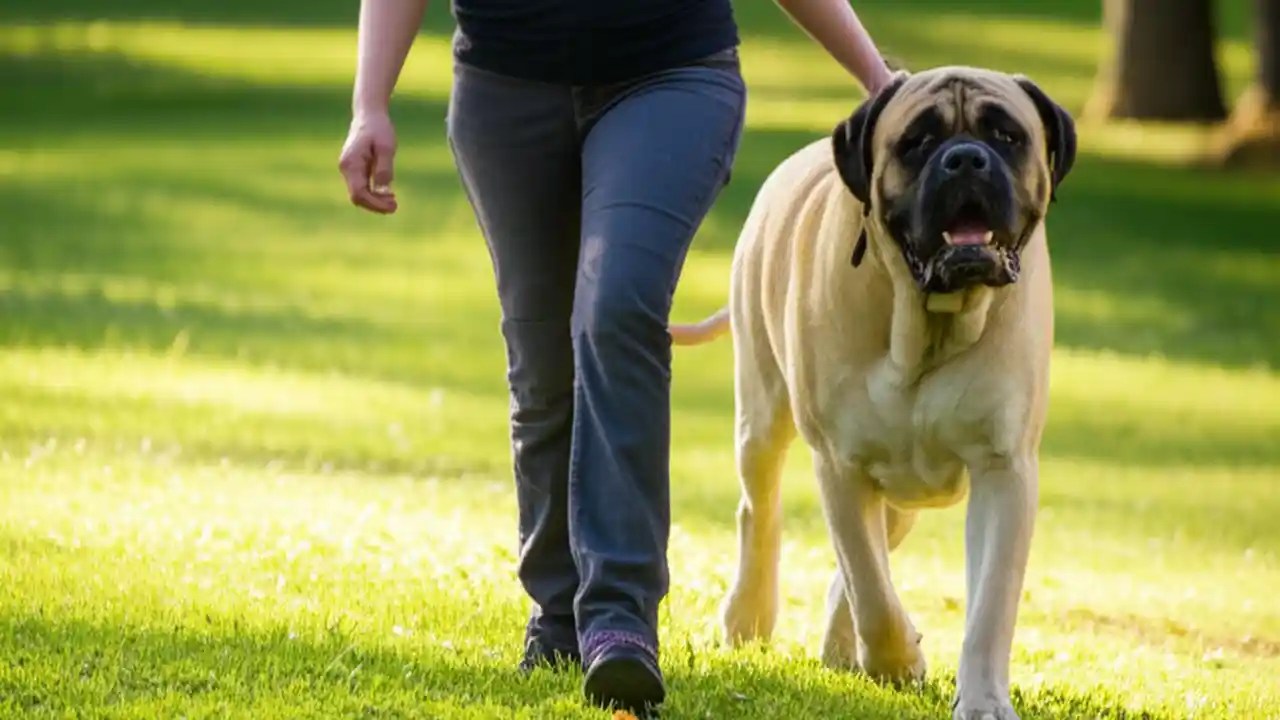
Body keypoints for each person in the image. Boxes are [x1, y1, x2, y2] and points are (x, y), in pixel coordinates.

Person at [339, 1, 892, 714]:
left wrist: (876, 77)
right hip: (505, 91)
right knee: (542, 359)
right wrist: (368, 104)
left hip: (671, 78)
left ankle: (621, 621)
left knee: (615, 306)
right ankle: (559, 619)